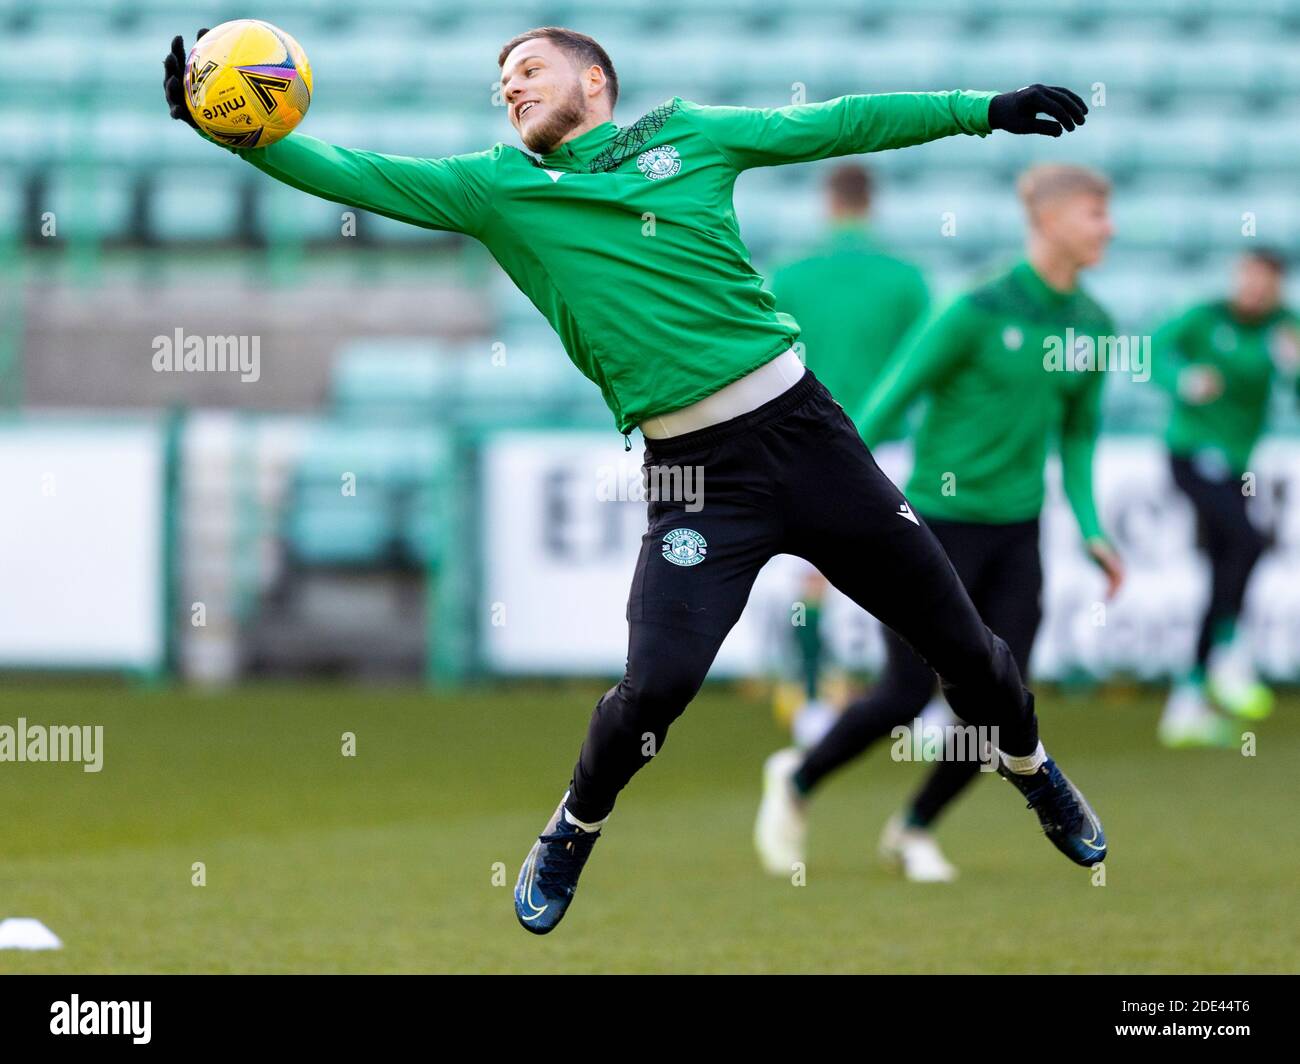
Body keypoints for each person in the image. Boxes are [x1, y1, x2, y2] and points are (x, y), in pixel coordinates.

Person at [165, 25, 1105, 935]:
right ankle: (571, 828)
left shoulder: (689, 134)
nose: (513, 87)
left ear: (596, 84)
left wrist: (982, 108)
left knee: (968, 653)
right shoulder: (497, 190)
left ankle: (1033, 770)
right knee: (654, 686)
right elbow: (353, 175)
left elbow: (842, 123)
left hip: (808, 440)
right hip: (697, 476)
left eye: (531, 69)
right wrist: (236, 132)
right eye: (504, 82)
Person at [756, 163, 1123, 882]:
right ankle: (796, 780)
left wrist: (1090, 526)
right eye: (1094, 215)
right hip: (935, 528)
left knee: (1004, 703)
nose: (1108, 229)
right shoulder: (974, 308)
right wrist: (834, 510)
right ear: (1049, 221)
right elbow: (889, 402)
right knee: (904, 693)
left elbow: (1079, 433)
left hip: (1019, 532)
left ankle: (914, 828)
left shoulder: (1094, 325)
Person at [767, 163, 929, 747]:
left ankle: (811, 704)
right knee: (914, 578)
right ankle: (925, 708)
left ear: (829, 203)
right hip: (890, 446)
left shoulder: (790, 276)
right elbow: (927, 367)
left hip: (809, 444)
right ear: (871, 203)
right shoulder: (905, 280)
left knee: (811, 581)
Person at [1153, 249, 1299, 747]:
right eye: (1251, 277)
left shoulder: (1285, 327)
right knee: (1249, 542)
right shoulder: (1205, 317)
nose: (1257, 289)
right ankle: (1229, 651)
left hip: (1237, 465)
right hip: (1191, 453)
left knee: (1226, 566)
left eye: (1268, 281)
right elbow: (1152, 352)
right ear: (1239, 277)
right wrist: (1183, 380)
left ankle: (1188, 699)